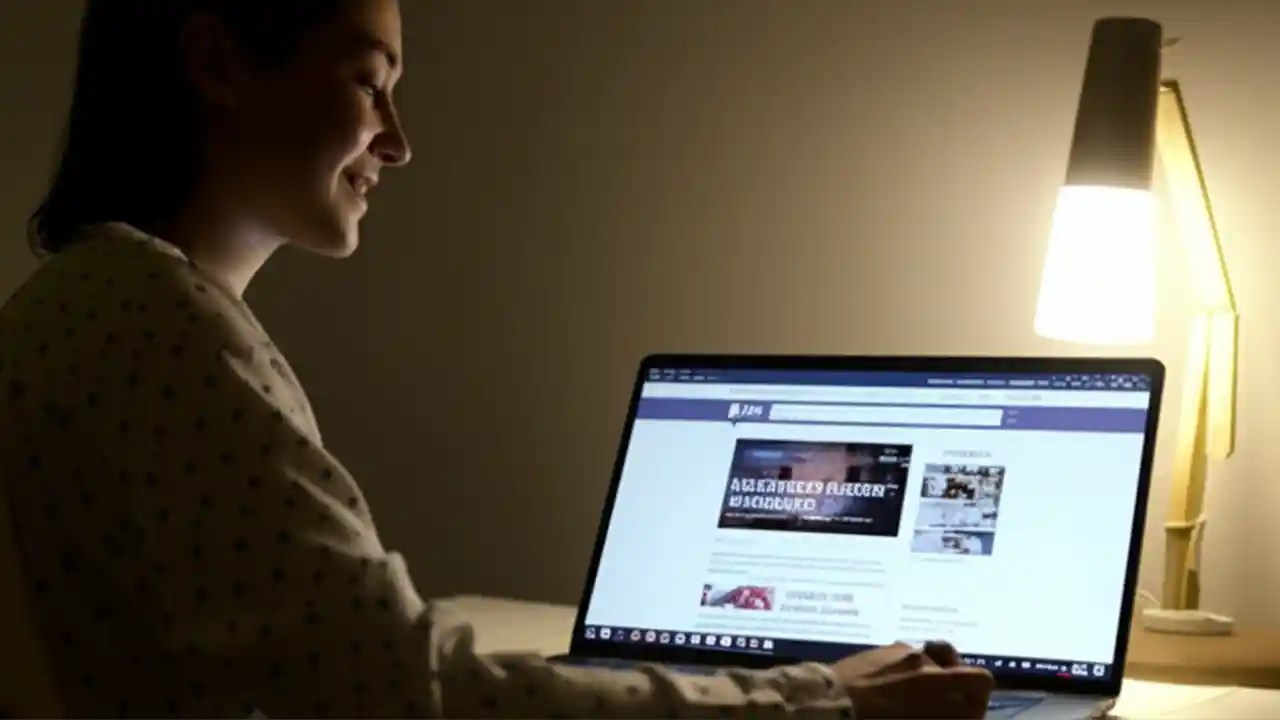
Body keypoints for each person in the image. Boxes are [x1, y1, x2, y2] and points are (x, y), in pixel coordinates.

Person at [0, 0, 994, 717]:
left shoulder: (92, 300)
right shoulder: (165, 332)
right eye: (368, 81)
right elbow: (402, 693)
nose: (397, 142)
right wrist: (817, 700)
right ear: (217, 63)